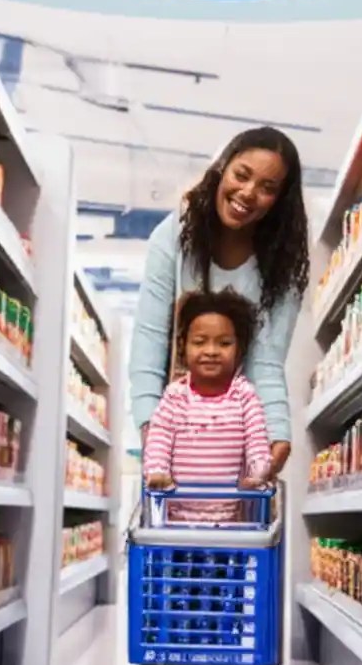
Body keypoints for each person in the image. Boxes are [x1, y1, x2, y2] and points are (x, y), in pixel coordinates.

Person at [130, 126, 309, 479]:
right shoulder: (173, 237)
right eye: (242, 175)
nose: (248, 193)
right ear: (222, 168)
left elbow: (267, 361)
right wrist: (151, 427)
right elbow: (149, 339)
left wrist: (277, 432)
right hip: (176, 432)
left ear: (279, 201)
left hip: (238, 438)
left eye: (267, 188)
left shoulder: (281, 266)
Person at [141, 290, 271, 522]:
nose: (211, 351)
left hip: (229, 521)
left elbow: (256, 440)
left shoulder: (244, 396)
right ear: (183, 346)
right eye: (200, 342)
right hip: (175, 520)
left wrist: (258, 472)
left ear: (239, 350)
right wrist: (157, 471)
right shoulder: (175, 397)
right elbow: (158, 439)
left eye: (224, 343)